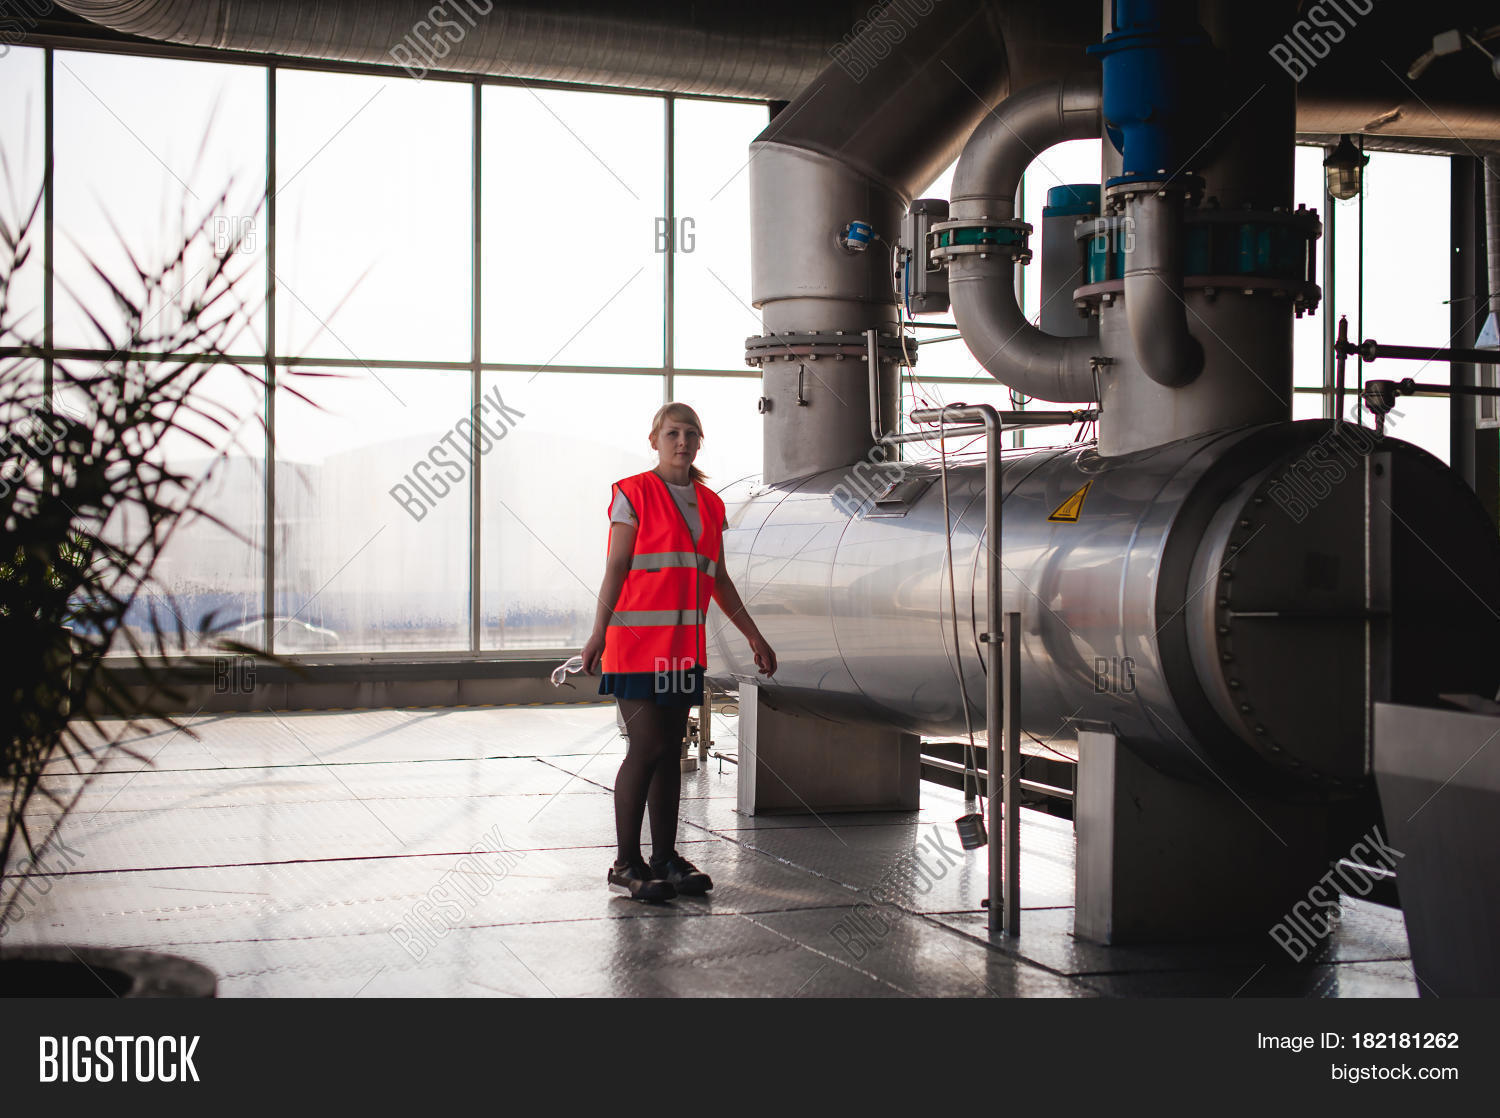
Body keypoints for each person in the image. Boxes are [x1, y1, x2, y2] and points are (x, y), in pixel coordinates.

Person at [580, 402, 777, 902]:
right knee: (646, 749)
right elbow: (617, 566)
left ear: (699, 441)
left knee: (671, 753)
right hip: (636, 649)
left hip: (680, 654)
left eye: (691, 433)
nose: (682, 441)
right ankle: (627, 864)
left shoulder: (710, 505)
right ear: (655, 440)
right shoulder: (634, 494)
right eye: (673, 433)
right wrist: (598, 633)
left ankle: (665, 859)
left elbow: (719, 581)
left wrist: (753, 635)